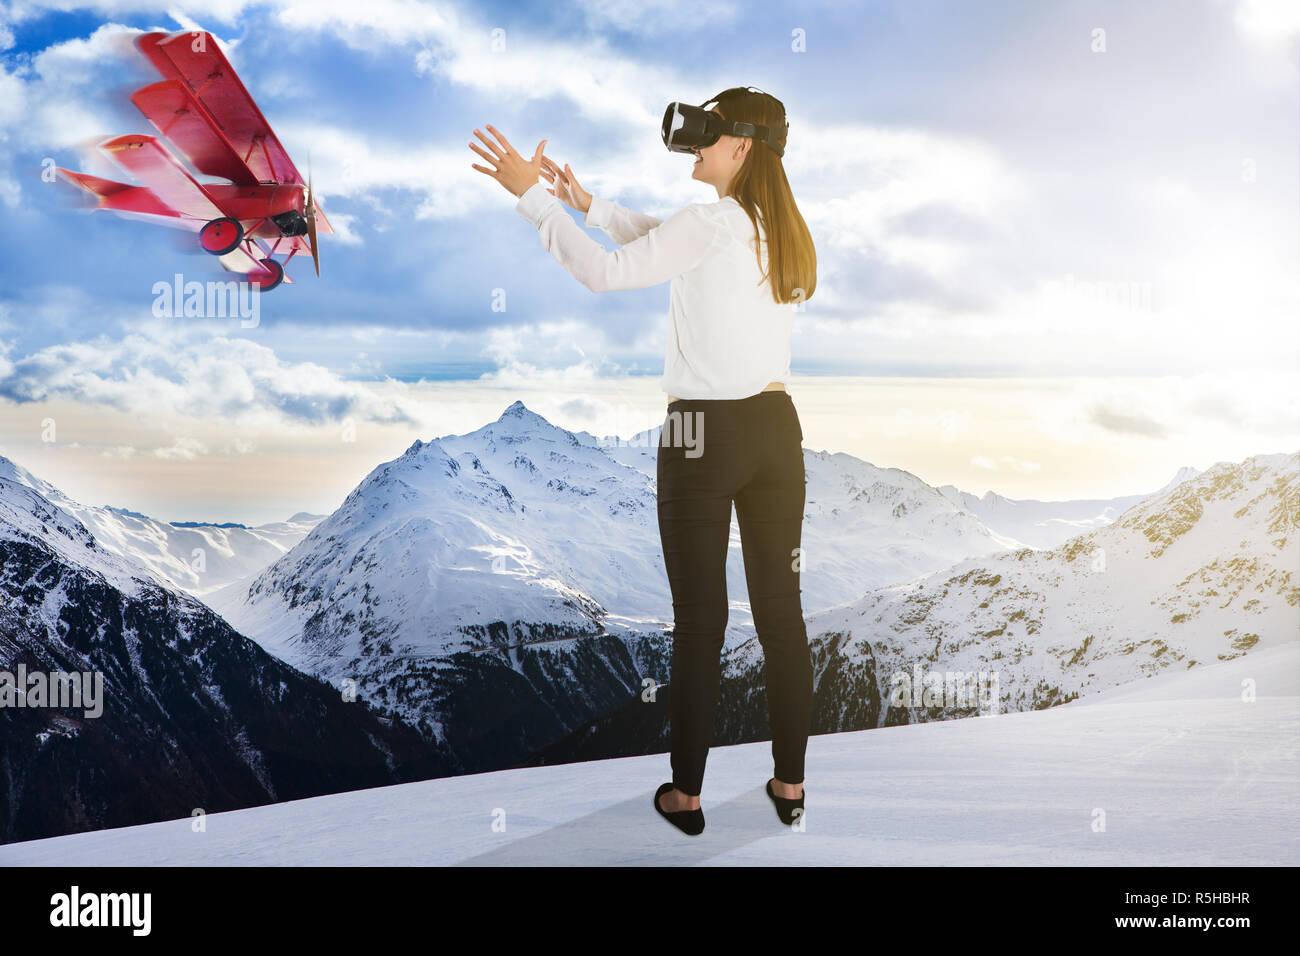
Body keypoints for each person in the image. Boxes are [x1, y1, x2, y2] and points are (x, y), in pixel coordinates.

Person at [469, 87, 817, 835]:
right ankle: (789, 787)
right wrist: (588, 202)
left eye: (710, 132)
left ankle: (686, 797)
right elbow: (665, 239)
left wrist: (534, 202)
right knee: (781, 617)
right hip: (776, 433)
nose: (697, 142)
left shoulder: (709, 225)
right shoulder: (776, 230)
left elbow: (607, 272)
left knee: (701, 623)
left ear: (743, 148)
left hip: (700, 434)